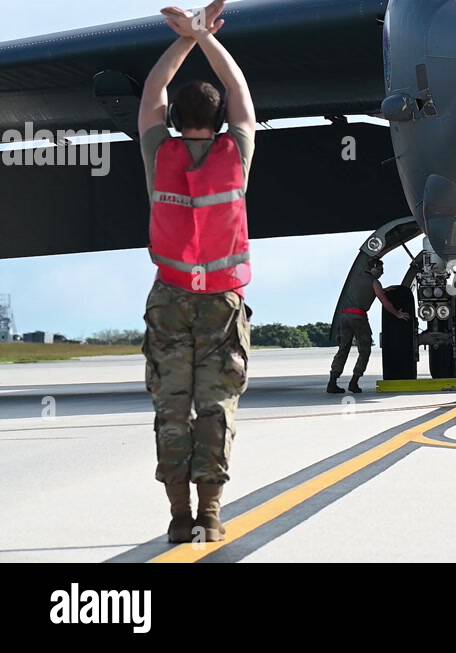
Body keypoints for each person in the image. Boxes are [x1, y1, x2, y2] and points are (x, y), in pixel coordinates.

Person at [138, 0, 255, 543]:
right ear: (219, 119)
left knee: (171, 408)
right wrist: (207, 37)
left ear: (176, 121)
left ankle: (178, 515)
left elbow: (152, 94)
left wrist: (184, 39)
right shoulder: (237, 151)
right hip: (222, 305)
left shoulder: (159, 151)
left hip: (170, 297)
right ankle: (210, 514)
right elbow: (241, 94)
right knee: (216, 407)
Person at [327, 259, 411, 394]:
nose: (382, 273)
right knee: (364, 350)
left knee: (343, 349)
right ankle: (354, 382)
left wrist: (382, 290)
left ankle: (332, 382)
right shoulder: (374, 282)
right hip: (358, 317)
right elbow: (384, 301)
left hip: (344, 316)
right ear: (375, 268)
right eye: (381, 269)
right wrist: (397, 314)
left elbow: (361, 292)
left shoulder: (355, 279)